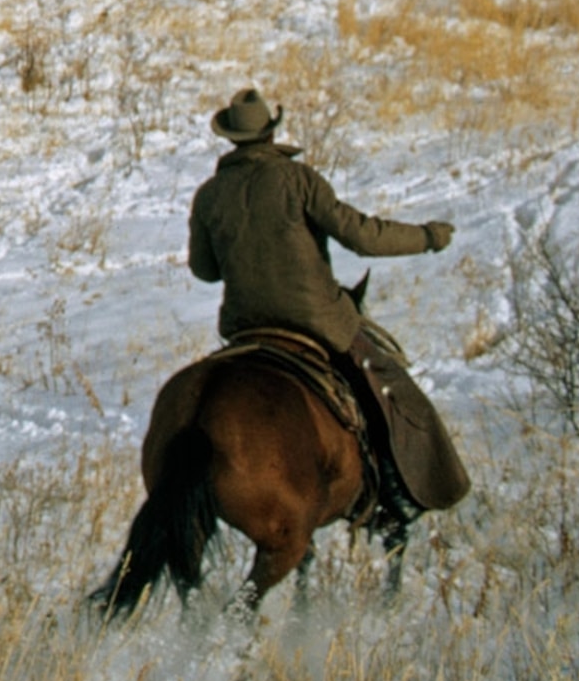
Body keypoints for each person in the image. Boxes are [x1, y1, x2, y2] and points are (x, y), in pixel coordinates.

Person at [188, 88, 470, 514]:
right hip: (317, 318)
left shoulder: (209, 195)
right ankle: (400, 491)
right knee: (388, 384)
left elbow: (204, 271)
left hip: (246, 325)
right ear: (270, 133)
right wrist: (427, 237)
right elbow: (362, 237)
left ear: (231, 139)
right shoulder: (299, 181)